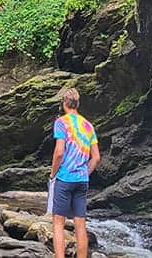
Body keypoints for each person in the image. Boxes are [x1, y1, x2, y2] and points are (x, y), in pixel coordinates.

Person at [49, 87, 100, 258]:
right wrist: (85, 172)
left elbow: (59, 152)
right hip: (82, 179)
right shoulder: (88, 125)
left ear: (64, 103)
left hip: (64, 178)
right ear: (77, 104)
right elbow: (97, 157)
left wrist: (52, 174)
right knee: (80, 224)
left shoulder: (61, 123)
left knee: (58, 222)